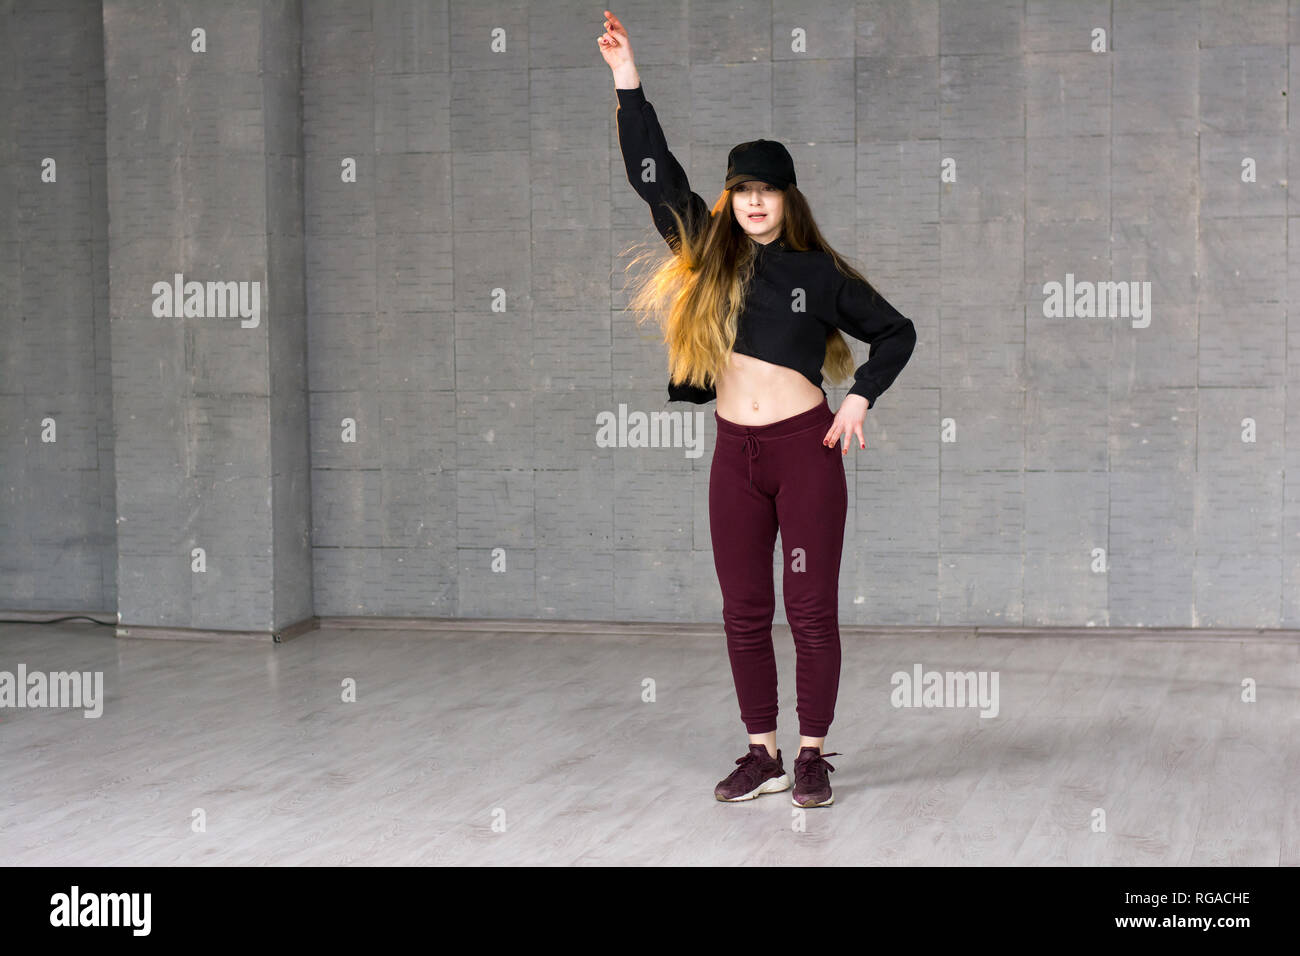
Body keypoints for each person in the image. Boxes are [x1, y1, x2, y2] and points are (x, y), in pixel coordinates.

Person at [599, 10, 916, 807]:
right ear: (731, 198)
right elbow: (654, 173)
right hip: (734, 457)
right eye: (742, 190)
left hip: (807, 453)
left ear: (786, 197)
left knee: (809, 609)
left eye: (766, 190)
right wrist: (626, 79)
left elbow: (897, 333)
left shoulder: (818, 270)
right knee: (744, 610)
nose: (753, 202)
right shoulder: (705, 259)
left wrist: (859, 403)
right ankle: (762, 752)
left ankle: (811, 754)